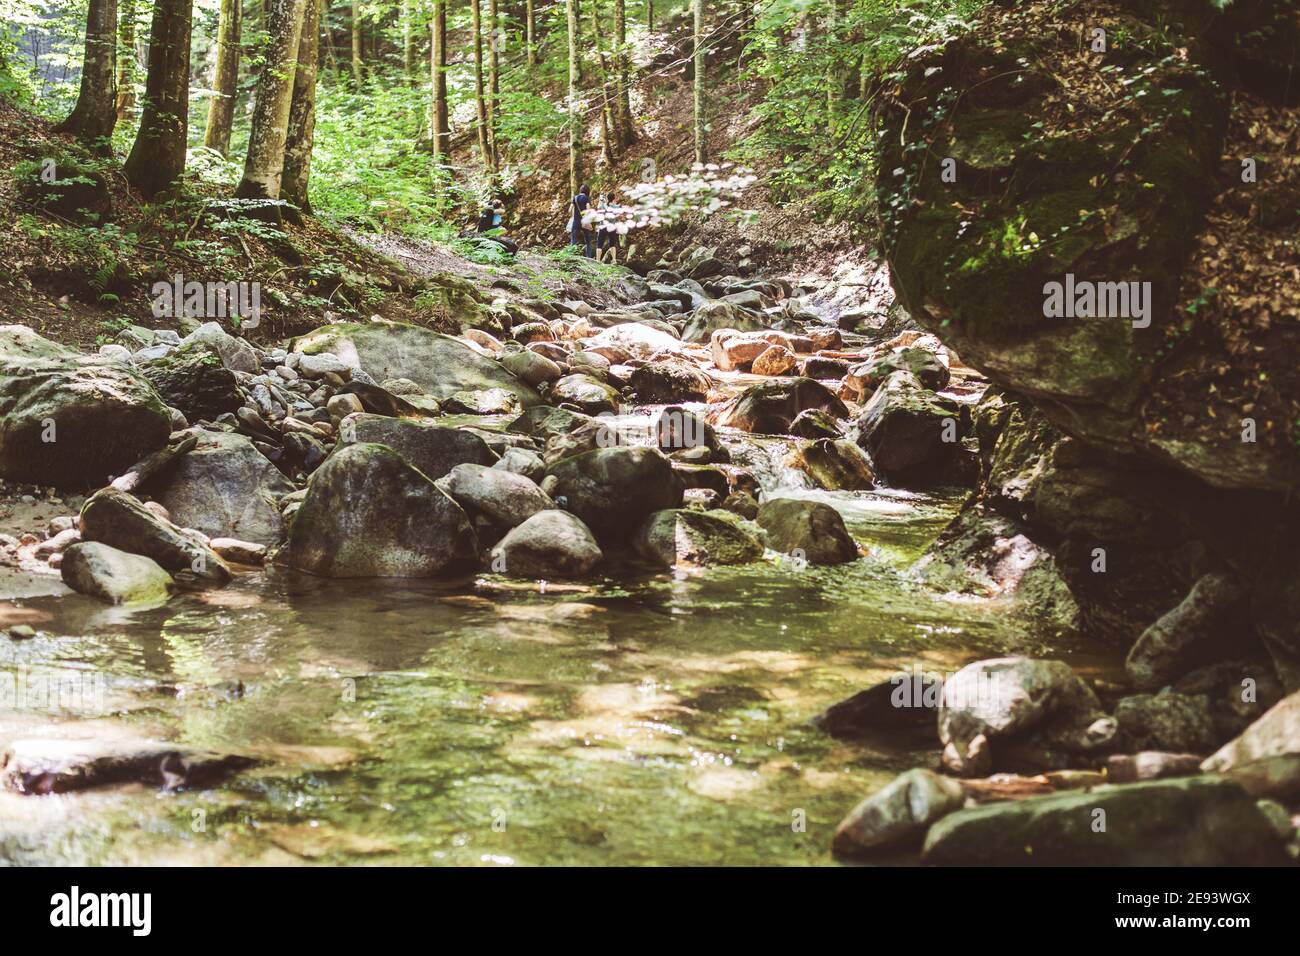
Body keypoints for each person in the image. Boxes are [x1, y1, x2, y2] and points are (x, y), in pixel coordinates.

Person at [570, 184, 593, 257]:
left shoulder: (575, 198)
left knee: (574, 239)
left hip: (576, 222)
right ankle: (589, 257)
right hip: (584, 222)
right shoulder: (586, 198)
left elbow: (569, 210)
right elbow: (588, 210)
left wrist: (574, 215)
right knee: (588, 241)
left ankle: (571, 256)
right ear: (587, 191)